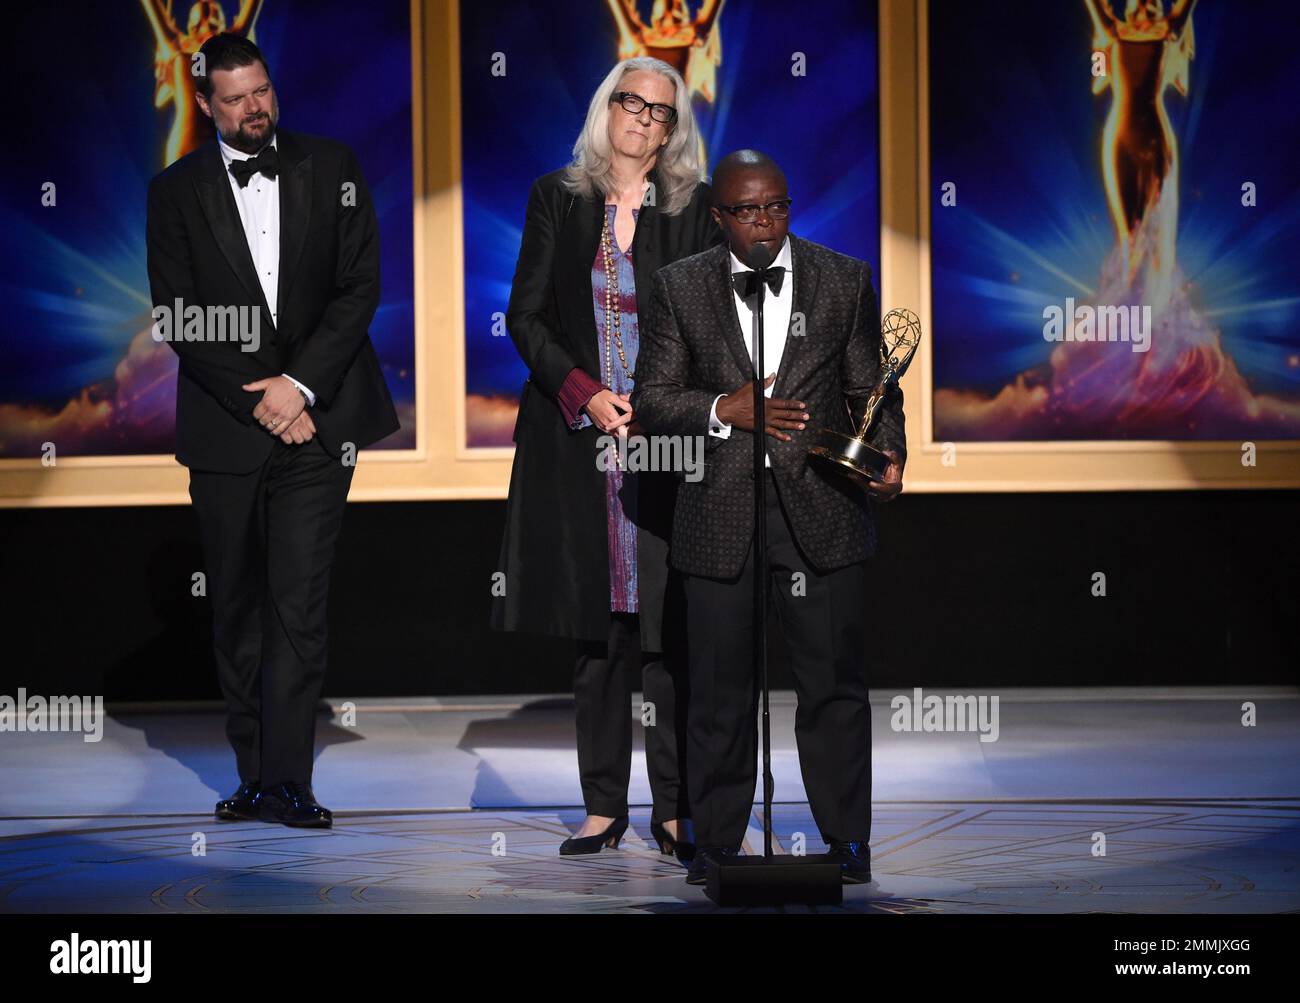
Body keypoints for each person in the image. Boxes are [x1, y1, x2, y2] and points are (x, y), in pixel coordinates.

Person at [632, 149, 906, 884]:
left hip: (821, 510)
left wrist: (886, 454)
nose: (765, 223)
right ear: (718, 216)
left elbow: (872, 387)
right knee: (719, 691)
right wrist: (727, 407)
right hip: (719, 514)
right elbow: (653, 400)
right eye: (748, 210)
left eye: (777, 207)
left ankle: (847, 839)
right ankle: (718, 841)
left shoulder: (842, 278)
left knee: (834, 687)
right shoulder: (679, 287)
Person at [145, 33, 399, 828]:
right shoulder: (174, 189)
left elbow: (360, 288)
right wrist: (258, 396)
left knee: (298, 601)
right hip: (227, 429)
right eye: (236, 97)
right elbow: (178, 313)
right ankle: (252, 774)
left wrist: (298, 386)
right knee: (238, 607)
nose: (255, 107)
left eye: (262, 90)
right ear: (206, 104)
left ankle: (289, 780)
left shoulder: (334, 167)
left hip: (320, 425)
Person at [491, 56, 721, 859]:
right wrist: (585, 391)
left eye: (660, 112)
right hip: (578, 439)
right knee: (597, 633)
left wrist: (657, 405)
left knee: (667, 631)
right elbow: (525, 318)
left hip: (665, 440)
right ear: (607, 108)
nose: (644, 120)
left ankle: (675, 806)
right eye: (631, 103)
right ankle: (601, 806)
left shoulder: (692, 211)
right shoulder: (559, 196)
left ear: (673, 128)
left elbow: (707, 328)